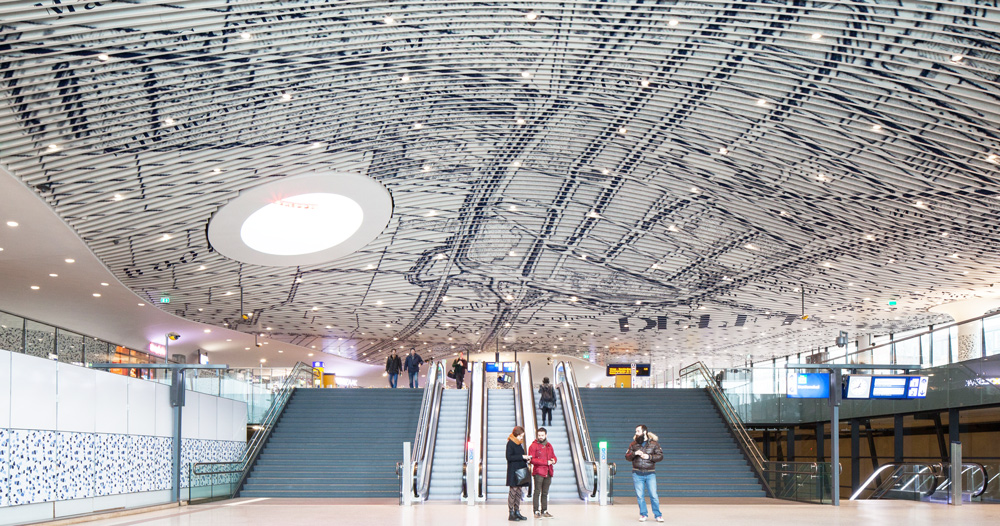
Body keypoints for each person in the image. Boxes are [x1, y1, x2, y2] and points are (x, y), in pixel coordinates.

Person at [625, 425, 664, 522]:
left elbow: (660, 456)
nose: (636, 433)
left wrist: (649, 457)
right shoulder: (633, 444)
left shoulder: (654, 444)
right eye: (636, 431)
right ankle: (643, 514)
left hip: (650, 474)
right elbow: (627, 457)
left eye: (638, 431)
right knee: (640, 496)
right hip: (637, 473)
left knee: (654, 495)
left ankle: (658, 515)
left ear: (644, 432)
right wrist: (634, 453)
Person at [528, 427, 557, 518]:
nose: (540, 437)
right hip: (538, 472)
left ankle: (544, 510)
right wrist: (545, 462)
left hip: (548, 472)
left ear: (546, 435)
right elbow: (532, 460)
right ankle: (536, 510)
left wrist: (554, 460)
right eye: (539, 435)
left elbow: (554, 456)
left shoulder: (549, 445)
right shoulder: (533, 446)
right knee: (537, 491)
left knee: (545, 492)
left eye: (542, 435)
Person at [506, 426, 531, 521]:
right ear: (516, 435)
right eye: (520, 436)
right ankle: (511, 513)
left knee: (519, 492)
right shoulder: (510, 443)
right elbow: (509, 457)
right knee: (513, 491)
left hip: (520, 471)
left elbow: (520, 456)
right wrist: (522, 457)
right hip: (513, 471)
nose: (521, 438)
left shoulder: (519, 443)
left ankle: (517, 511)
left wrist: (526, 458)